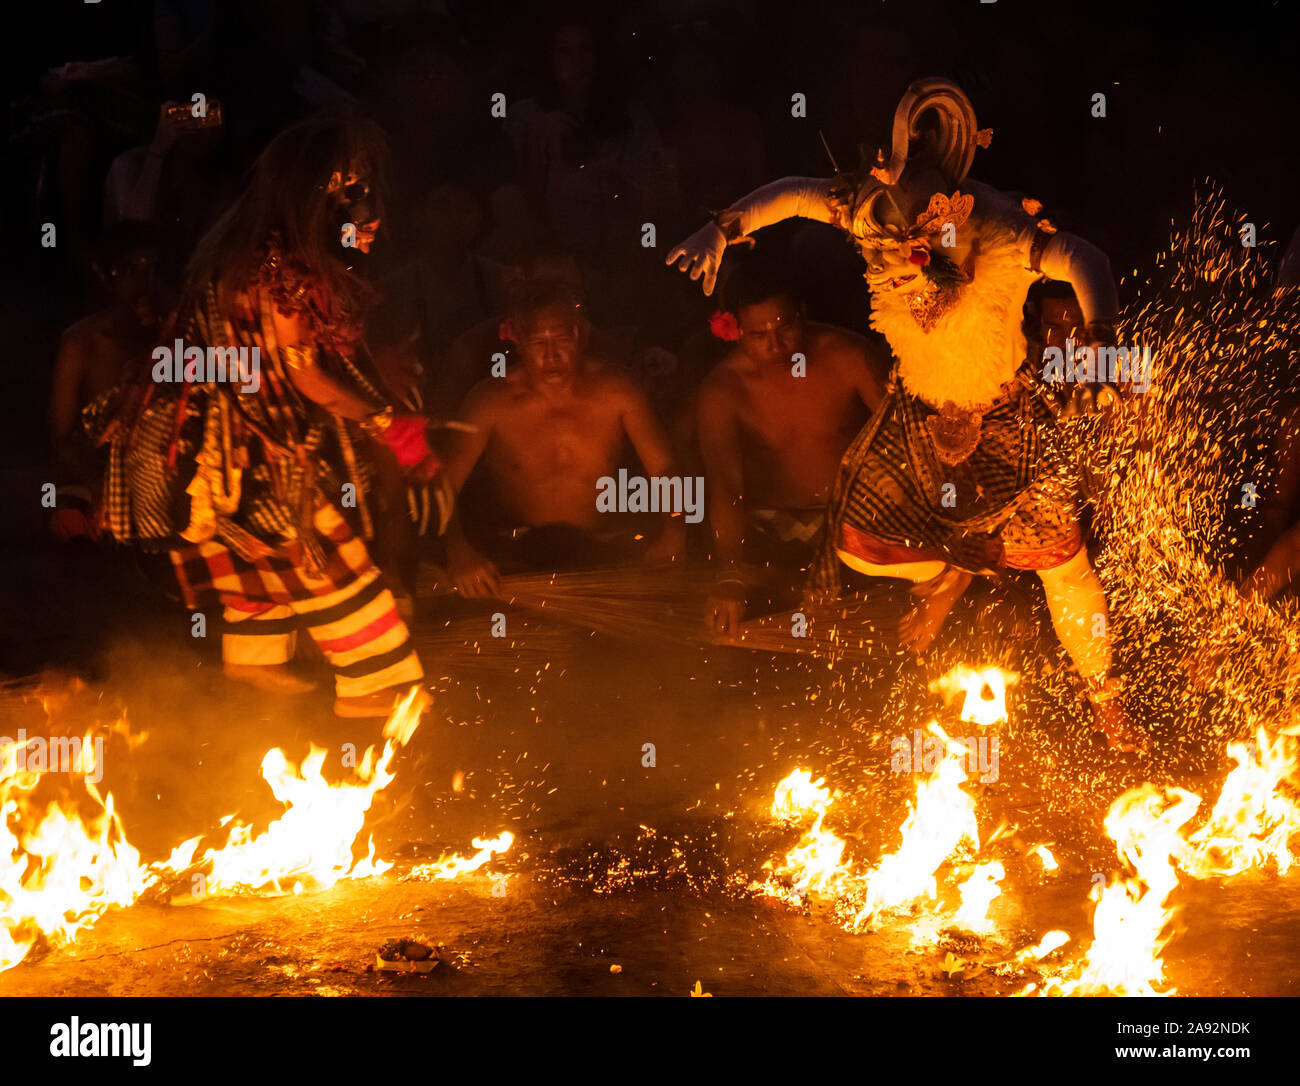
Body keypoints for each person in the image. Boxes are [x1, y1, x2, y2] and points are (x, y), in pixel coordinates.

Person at [668, 78, 1146, 751]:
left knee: (1062, 566)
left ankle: (1106, 699)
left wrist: (1101, 341)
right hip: (918, 419)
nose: (896, 265)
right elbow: (797, 194)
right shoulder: (869, 208)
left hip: (1004, 418)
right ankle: (952, 574)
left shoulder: (999, 226)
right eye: (885, 252)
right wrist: (722, 229)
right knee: (861, 543)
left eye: (913, 253)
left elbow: (1084, 257)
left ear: (949, 226)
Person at [87, 110, 443, 718]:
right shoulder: (284, 269)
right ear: (319, 190)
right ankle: (371, 683)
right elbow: (305, 377)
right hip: (243, 448)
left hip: (215, 445)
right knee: (326, 560)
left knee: (254, 557)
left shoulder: (234, 249)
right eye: (351, 185)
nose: (363, 201)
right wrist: (386, 425)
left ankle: (254, 659)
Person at [441, 275, 685, 597]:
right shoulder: (490, 402)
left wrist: (675, 531)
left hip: (604, 550)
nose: (551, 355)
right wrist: (458, 550)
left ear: (581, 335)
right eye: (538, 343)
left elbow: (665, 470)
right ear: (518, 341)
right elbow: (442, 486)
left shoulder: (618, 392)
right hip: (516, 556)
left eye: (561, 339)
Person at [696, 254, 888, 638]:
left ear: (802, 314)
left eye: (784, 327)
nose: (776, 344)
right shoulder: (723, 390)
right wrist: (730, 574)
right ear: (733, 331)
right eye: (759, 335)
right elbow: (725, 486)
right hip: (770, 535)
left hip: (855, 521)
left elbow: (903, 439)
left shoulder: (847, 355)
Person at [49, 222, 164, 543]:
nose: (143, 282)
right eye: (130, 271)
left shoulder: (170, 335)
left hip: (158, 471)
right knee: (70, 519)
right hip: (95, 469)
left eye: (152, 270)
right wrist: (101, 485)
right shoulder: (81, 344)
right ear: (106, 277)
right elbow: (62, 439)